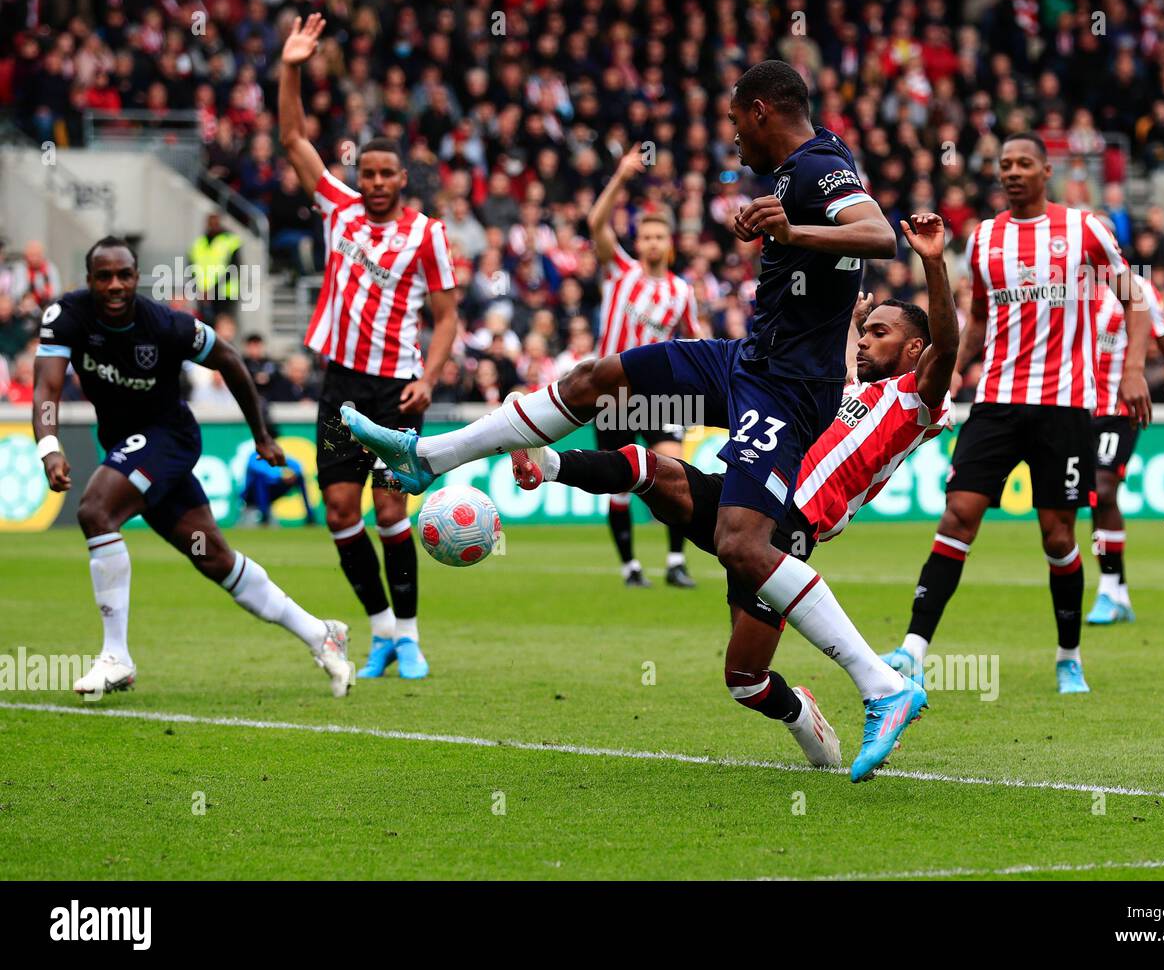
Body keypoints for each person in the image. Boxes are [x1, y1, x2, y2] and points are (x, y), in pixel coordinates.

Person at [344, 60, 925, 781]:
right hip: (745, 361)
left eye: (734, 120)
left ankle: (884, 685)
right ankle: (429, 457)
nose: (731, 137)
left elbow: (879, 237)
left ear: (760, 112)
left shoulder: (818, 165)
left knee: (742, 545)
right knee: (600, 379)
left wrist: (797, 229)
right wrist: (785, 224)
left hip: (788, 390)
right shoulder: (791, 175)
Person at [513, 214, 957, 772]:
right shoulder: (842, 384)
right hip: (750, 489)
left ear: (916, 348)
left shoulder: (916, 397)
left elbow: (949, 340)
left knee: (745, 680)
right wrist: (848, 322)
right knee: (647, 468)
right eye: (866, 333)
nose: (867, 342)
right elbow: (837, 356)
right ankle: (547, 462)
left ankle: (850, 699)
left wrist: (933, 261)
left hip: (789, 528)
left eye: (881, 334)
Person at [880, 132, 1153, 695]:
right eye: (1004, 164)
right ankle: (912, 650)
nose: (1012, 172)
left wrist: (1131, 370)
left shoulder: (1084, 231)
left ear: (1047, 169)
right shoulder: (984, 239)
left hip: (1065, 407)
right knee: (958, 515)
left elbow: (1136, 296)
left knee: (1056, 536)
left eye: (1024, 163)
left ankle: (1068, 655)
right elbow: (977, 318)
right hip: (998, 401)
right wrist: (953, 364)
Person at [32, 237, 352, 699]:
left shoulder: (165, 324)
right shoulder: (67, 317)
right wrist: (49, 447)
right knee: (213, 557)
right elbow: (47, 387)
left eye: (124, 275)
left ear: (137, 277)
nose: (115, 285)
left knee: (95, 511)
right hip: (130, 449)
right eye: (104, 276)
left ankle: (116, 656)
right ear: (89, 281)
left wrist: (261, 435)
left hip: (169, 439)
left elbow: (231, 361)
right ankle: (321, 633)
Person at [279, 14, 459, 680]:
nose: (378, 183)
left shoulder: (428, 235)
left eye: (388, 175)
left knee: (389, 509)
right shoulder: (338, 207)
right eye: (370, 173)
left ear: (403, 178)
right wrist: (292, 65)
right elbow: (292, 136)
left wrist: (432, 378)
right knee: (338, 510)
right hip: (341, 384)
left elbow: (446, 317)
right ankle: (380, 630)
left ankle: (408, 635)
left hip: (396, 389)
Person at [587, 148, 706, 588]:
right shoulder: (619, 271)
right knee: (619, 481)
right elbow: (596, 224)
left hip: (660, 397)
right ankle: (630, 566)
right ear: (638, 243)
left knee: (674, 472)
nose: (652, 243)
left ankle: (675, 561)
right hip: (613, 394)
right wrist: (620, 176)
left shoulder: (682, 291)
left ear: (669, 244)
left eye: (659, 237)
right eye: (646, 237)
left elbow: (695, 344)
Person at [1087, 275, 1164, 624]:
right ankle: (1119, 591)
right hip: (1075, 408)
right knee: (1094, 496)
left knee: (1104, 489)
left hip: (1121, 409)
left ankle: (1108, 589)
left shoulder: (1139, 289)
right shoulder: (1068, 284)